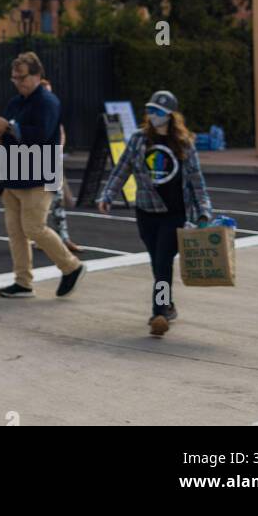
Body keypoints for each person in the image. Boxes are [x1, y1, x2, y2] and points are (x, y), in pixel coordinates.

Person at [98, 90, 213, 336]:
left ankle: (159, 313)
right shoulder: (139, 139)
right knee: (156, 262)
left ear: (170, 114)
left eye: (158, 111)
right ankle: (168, 304)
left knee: (162, 263)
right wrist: (107, 195)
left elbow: (197, 181)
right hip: (146, 212)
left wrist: (204, 211)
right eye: (150, 110)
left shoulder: (184, 143)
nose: (152, 115)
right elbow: (122, 169)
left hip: (175, 214)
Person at [0, 51, 84, 299]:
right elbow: (12, 141)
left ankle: (71, 266)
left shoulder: (47, 101)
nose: (18, 82)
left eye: (22, 77)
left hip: (41, 175)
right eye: (14, 78)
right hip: (16, 175)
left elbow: (41, 136)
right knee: (16, 232)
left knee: (33, 227)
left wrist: (9, 128)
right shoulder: (15, 102)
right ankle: (22, 282)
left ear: (36, 75)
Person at [41, 78, 81, 255]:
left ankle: (64, 238)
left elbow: (61, 133)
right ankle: (38, 237)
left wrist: (58, 149)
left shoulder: (53, 111)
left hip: (52, 161)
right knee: (37, 203)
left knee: (57, 201)